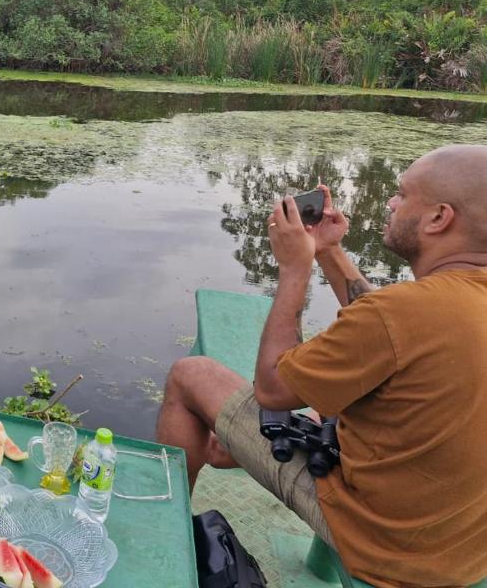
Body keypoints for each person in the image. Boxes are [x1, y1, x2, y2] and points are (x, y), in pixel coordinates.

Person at [156, 144, 487, 587]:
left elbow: (272, 390)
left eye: (403, 195)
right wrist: (328, 251)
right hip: (462, 548)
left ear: (438, 218)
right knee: (288, 422)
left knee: (191, 376)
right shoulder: (440, 305)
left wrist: (296, 268)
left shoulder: (403, 312)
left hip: (380, 543)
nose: (390, 202)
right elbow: (392, 323)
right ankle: (225, 448)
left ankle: (162, 536)